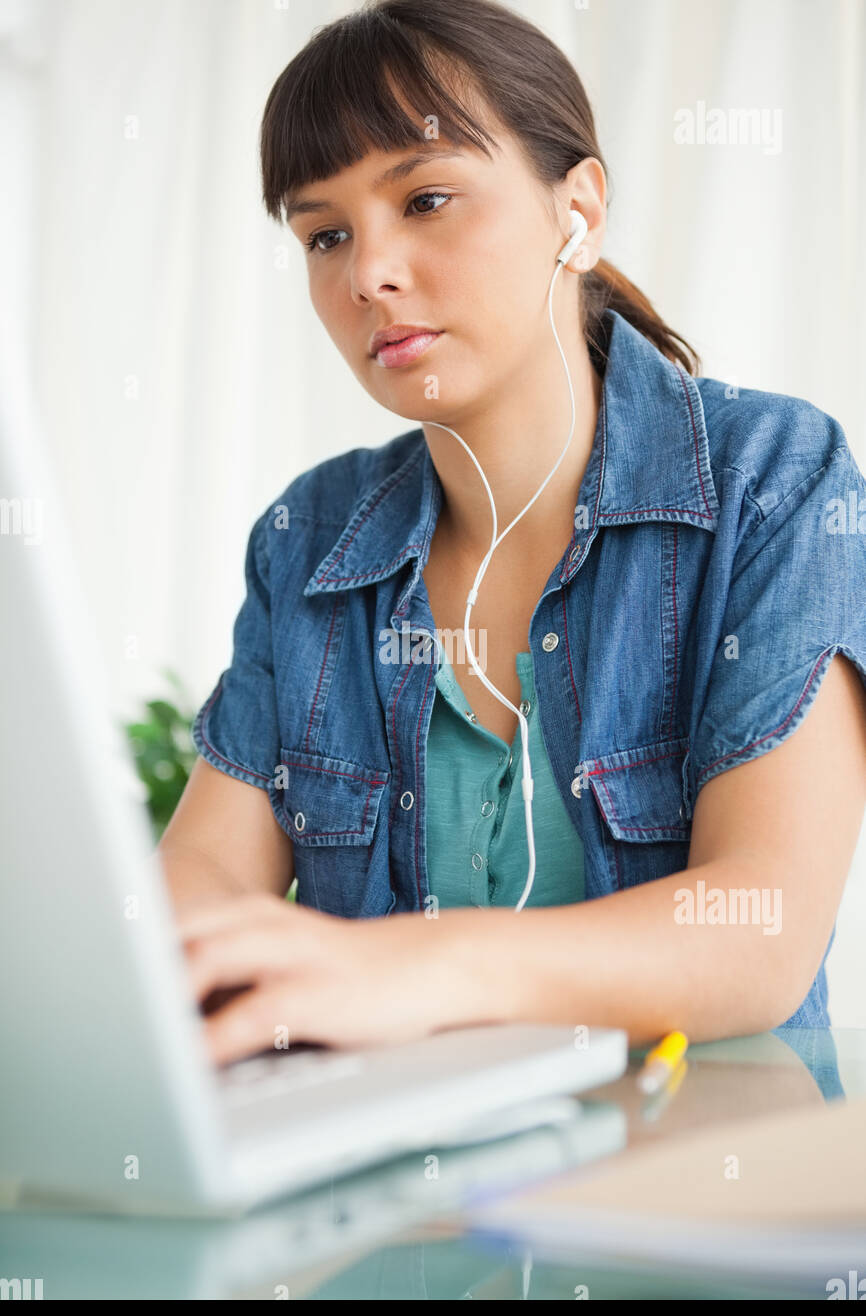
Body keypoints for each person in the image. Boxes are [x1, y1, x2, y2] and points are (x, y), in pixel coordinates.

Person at [158, 0, 866, 1065]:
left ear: (576, 208)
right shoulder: (307, 541)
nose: (368, 274)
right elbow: (196, 893)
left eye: (427, 198)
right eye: (326, 234)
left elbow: (756, 927)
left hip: (694, 1196)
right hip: (390, 1195)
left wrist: (413, 971)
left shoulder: (773, 478)